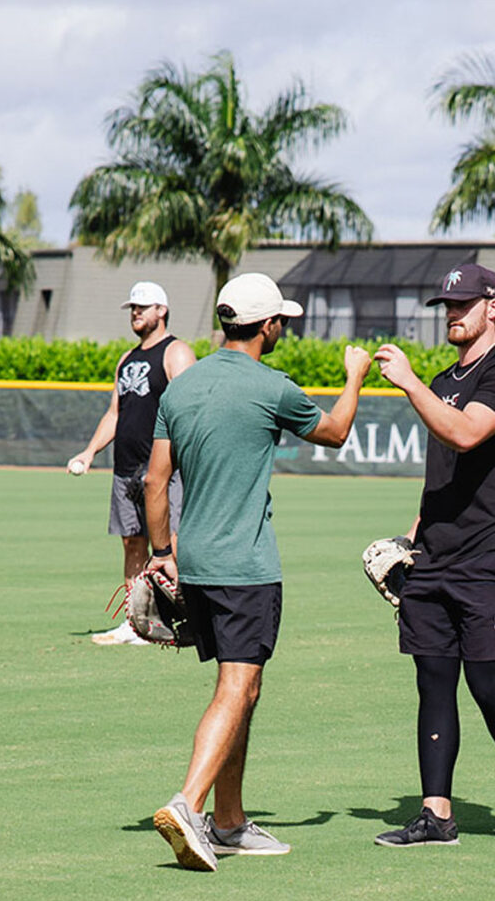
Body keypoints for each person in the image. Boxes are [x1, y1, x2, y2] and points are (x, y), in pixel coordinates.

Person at [144, 272, 371, 870]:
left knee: (244, 687)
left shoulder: (181, 389)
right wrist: (355, 378)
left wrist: (162, 553)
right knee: (237, 687)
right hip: (245, 566)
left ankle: (229, 821)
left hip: (194, 564)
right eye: (282, 322)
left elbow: (154, 481)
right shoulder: (273, 387)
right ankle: (188, 804)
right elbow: (337, 432)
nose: (284, 330)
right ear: (267, 326)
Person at [370, 263, 495, 847]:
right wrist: (414, 535)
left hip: (492, 550)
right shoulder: (447, 378)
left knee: (487, 682)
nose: (451, 311)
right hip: (437, 552)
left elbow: (468, 434)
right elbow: (445, 471)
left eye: (464, 303)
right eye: (446, 303)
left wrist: (410, 383)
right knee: (433, 679)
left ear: (494, 307)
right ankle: (436, 813)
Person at [67, 281, 195, 645]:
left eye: (143, 306)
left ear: (162, 311)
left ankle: (185, 618)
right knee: (132, 544)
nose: (136, 312)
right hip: (126, 468)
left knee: (171, 544)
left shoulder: (177, 353)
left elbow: (189, 410)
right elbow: (114, 414)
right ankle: (136, 621)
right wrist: (89, 452)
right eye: (133, 308)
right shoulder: (127, 359)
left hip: (164, 469)